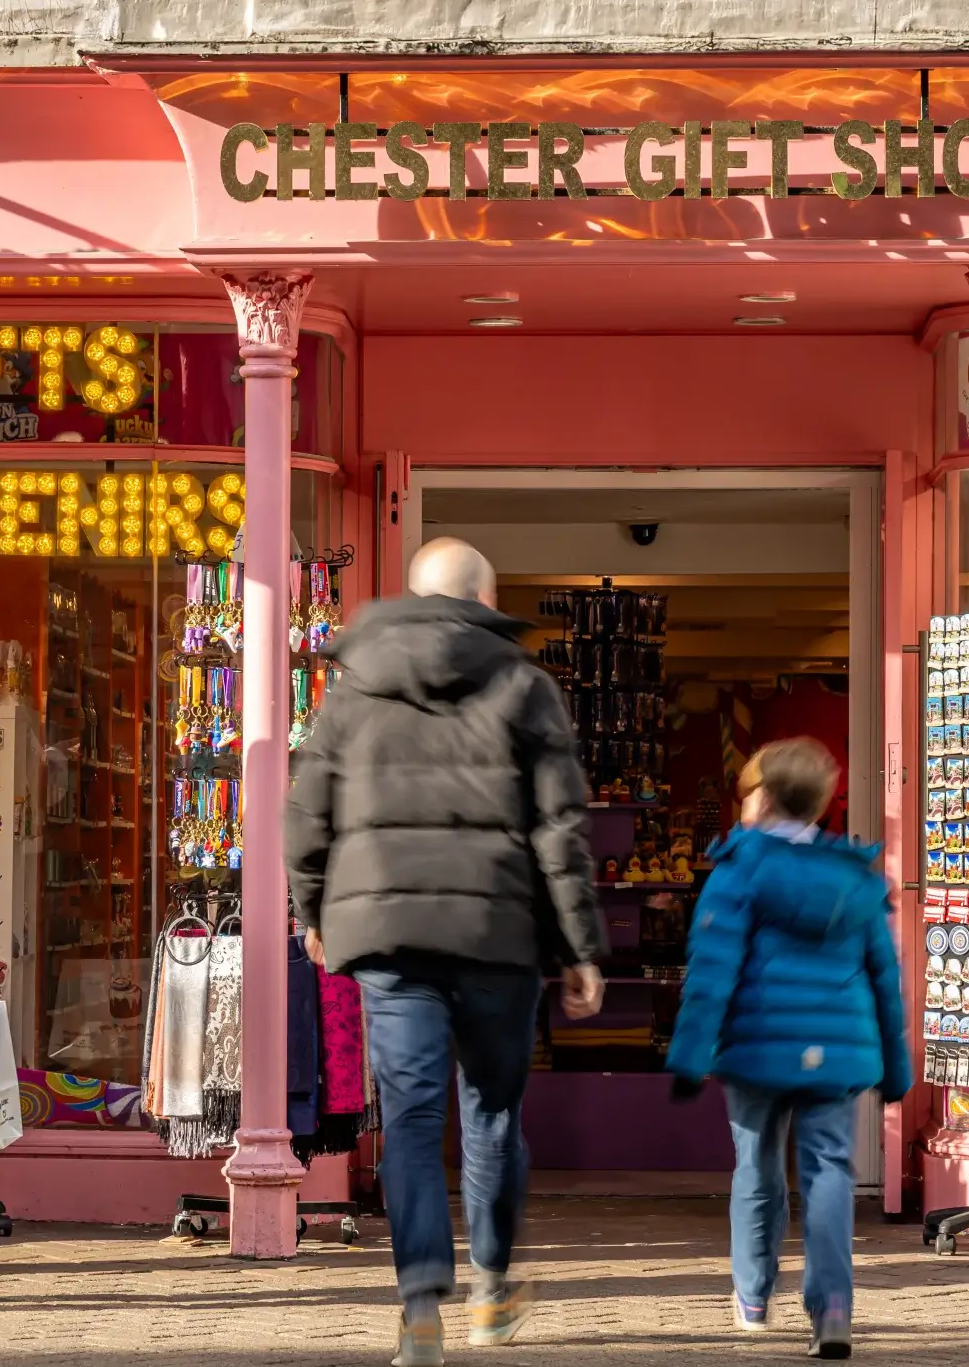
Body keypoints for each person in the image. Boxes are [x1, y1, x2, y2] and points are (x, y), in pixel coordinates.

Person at [287, 537, 607, 1367]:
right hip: (497, 935)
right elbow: (559, 829)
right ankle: (493, 1290)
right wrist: (579, 944)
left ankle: (419, 1307)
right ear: (485, 599)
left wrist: (314, 908)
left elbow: (308, 810)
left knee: (412, 1119)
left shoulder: (354, 689)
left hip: (389, 936)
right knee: (493, 1115)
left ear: (412, 595)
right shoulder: (524, 684)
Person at [667, 738, 910, 1361]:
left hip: (758, 1050)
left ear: (766, 799)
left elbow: (712, 972)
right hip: (838, 1052)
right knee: (830, 1171)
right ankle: (831, 1308)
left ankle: (752, 1296)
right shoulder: (855, 877)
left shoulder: (740, 869)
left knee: (757, 1166)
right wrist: (897, 1068)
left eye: (748, 791)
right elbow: (886, 976)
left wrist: (690, 1056)